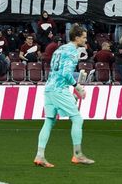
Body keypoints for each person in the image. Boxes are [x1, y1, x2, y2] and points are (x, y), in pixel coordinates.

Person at [34, 25, 94, 168]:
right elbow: (66, 74)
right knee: (77, 119)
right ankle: (77, 154)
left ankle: (40, 155)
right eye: (84, 37)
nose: (86, 40)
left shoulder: (59, 49)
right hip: (59, 89)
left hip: (49, 88)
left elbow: (55, 69)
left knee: (49, 121)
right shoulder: (72, 52)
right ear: (77, 37)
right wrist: (78, 87)